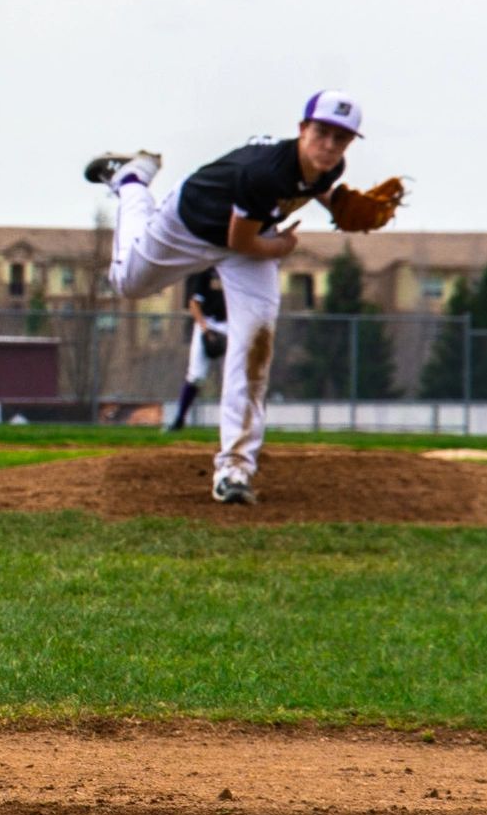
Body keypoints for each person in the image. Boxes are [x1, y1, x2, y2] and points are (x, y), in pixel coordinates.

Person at [86, 90, 364, 504]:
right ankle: (131, 181)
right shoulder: (265, 173)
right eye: (322, 132)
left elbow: (317, 186)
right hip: (191, 224)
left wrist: (337, 208)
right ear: (302, 129)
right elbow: (242, 240)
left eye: (341, 138)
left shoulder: (330, 166)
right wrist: (284, 249)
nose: (329, 145)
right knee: (128, 283)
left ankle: (235, 469)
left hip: (250, 239)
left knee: (254, 347)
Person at [168, 267, 227, 432]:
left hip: (231, 323)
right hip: (207, 323)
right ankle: (179, 419)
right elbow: (193, 304)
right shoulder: (202, 268)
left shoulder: (231, 265)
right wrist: (206, 330)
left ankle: (237, 423)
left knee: (235, 375)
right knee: (196, 376)